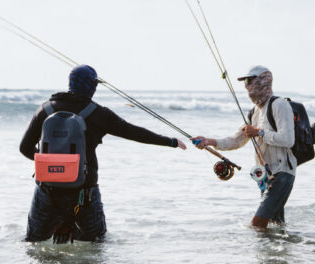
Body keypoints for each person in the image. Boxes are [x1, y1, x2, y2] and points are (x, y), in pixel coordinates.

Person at [20, 64, 187, 243]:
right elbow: (133, 132)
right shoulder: (97, 113)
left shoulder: (45, 110)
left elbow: (25, 148)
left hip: (47, 192)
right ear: (92, 86)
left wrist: (54, 165)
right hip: (84, 194)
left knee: (35, 245)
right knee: (95, 246)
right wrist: (170, 141)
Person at [191, 65, 296, 229]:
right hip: (266, 177)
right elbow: (235, 140)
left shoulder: (279, 105)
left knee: (257, 224)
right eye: (245, 82)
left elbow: (288, 140)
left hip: (282, 174)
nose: (247, 86)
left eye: (249, 80)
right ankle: (280, 252)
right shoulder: (254, 112)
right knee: (276, 226)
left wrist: (259, 133)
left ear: (263, 81)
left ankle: (259, 251)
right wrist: (209, 141)